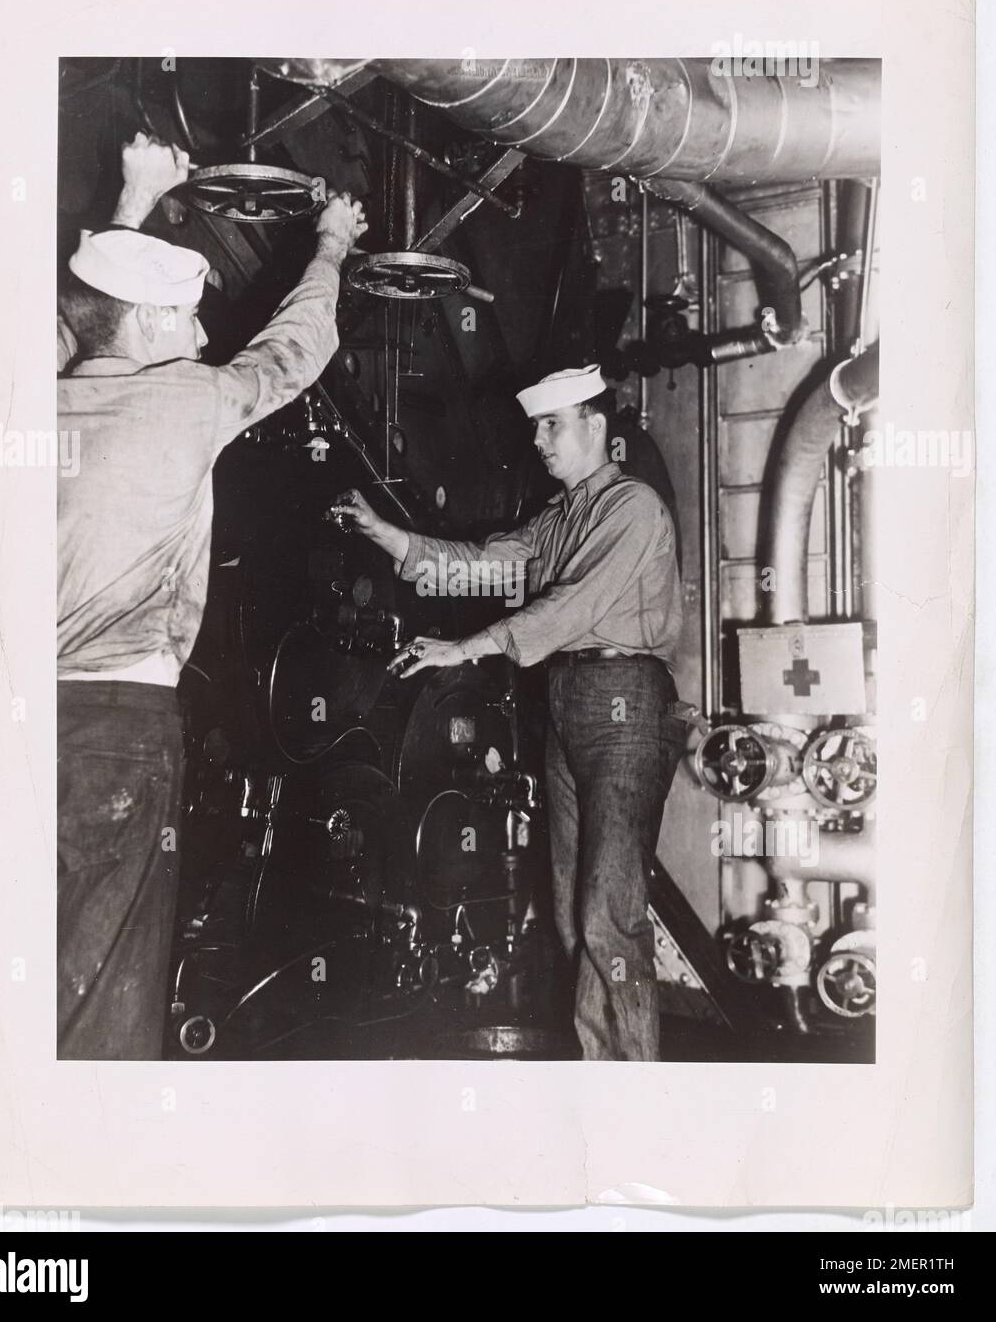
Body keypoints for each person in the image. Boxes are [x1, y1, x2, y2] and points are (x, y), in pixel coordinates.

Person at [56, 134, 367, 1058]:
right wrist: (332, 247)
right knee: (106, 982)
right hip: (119, 730)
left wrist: (133, 198)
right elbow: (292, 351)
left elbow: (76, 317)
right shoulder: (183, 402)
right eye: (188, 319)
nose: (199, 335)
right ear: (152, 327)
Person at [335, 364, 686, 1060]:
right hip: (566, 699)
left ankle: (637, 1092)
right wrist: (385, 535)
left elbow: (570, 606)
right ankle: (600, 1074)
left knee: (606, 912)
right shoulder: (559, 519)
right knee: (568, 913)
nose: (538, 440)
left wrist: (464, 647)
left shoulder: (632, 508)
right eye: (534, 427)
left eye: (551, 425)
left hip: (625, 705)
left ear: (596, 425)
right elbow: (483, 566)